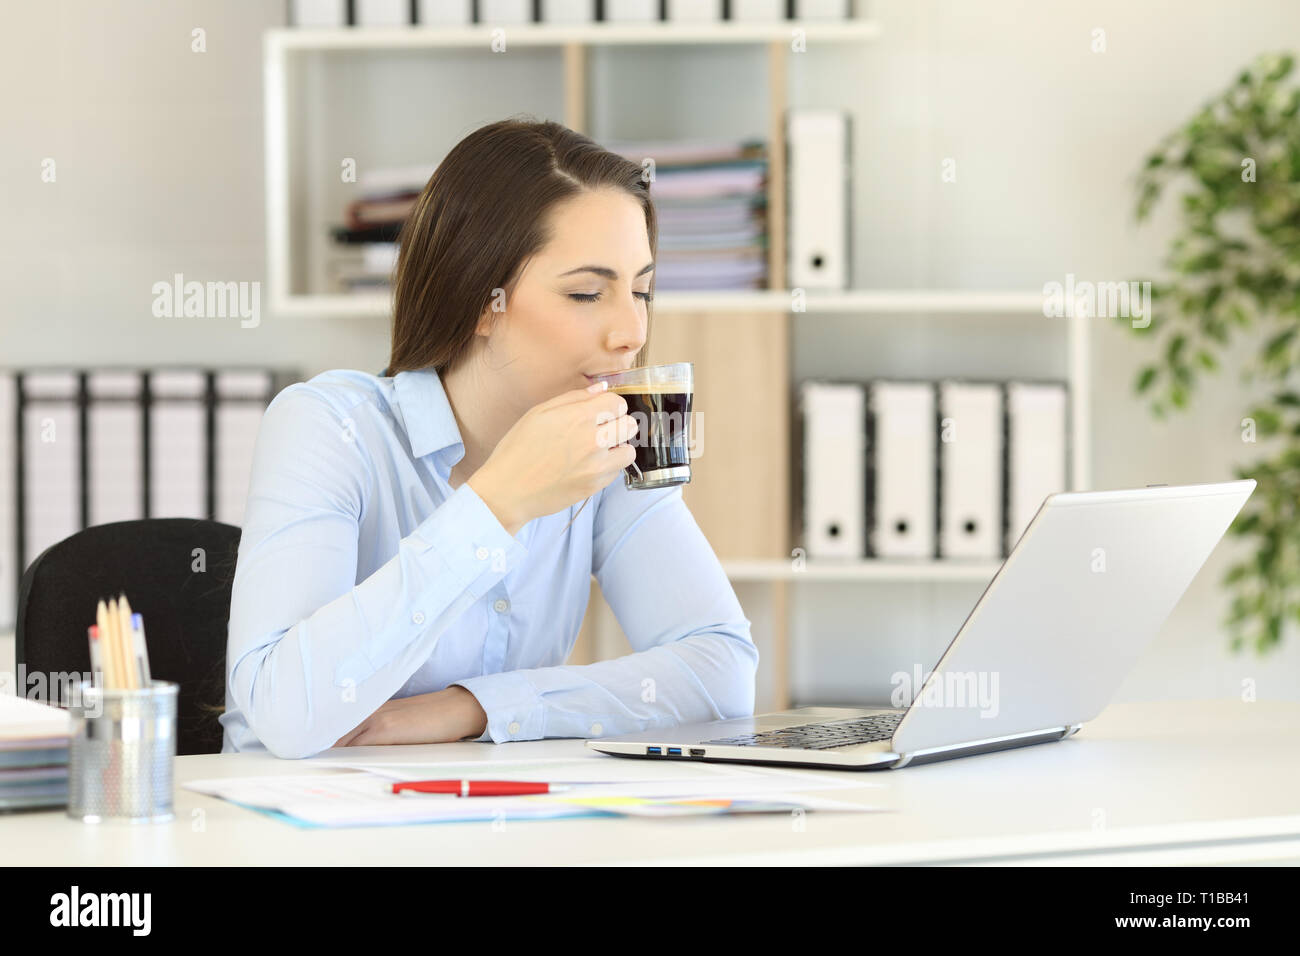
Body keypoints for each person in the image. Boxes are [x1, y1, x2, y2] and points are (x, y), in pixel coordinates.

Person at [219, 117, 758, 758]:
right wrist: (498, 503)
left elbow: (721, 674)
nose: (631, 332)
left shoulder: (612, 443)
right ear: (481, 300)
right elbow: (286, 716)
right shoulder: (328, 426)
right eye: (587, 293)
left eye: (641, 290)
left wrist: (473, 708)